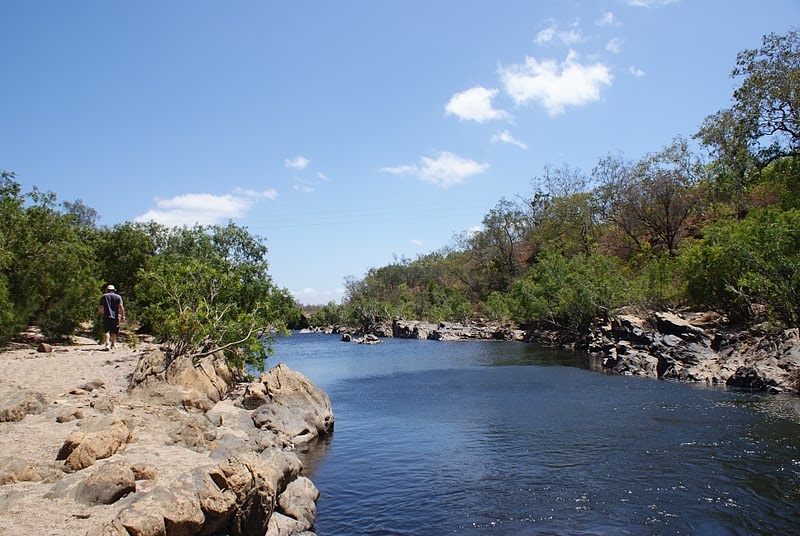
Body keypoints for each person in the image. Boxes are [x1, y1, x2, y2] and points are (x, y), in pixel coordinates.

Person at [98, 284, 125, 350]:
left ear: (107, 290)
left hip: (106, 316)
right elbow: (121, 306)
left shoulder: (104, 296)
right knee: (114, 331)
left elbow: (100, 307)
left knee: (107, 330)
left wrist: (103, 313)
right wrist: (122, 315)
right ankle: (113, 344)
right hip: (115, 316)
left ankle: (107, 344)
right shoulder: (118, 297)